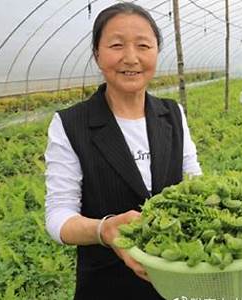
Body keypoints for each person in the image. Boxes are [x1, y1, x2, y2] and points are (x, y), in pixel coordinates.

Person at [44, 3, 202, 299]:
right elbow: (58, 215)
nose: (131, 58)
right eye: (116, 45)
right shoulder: (70, 124)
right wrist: (104, 230)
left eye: (143, 45)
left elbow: (194, 182)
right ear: (97, 54)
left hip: (179, 275)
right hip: (107, 284)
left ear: (156, 51)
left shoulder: (172, 114)